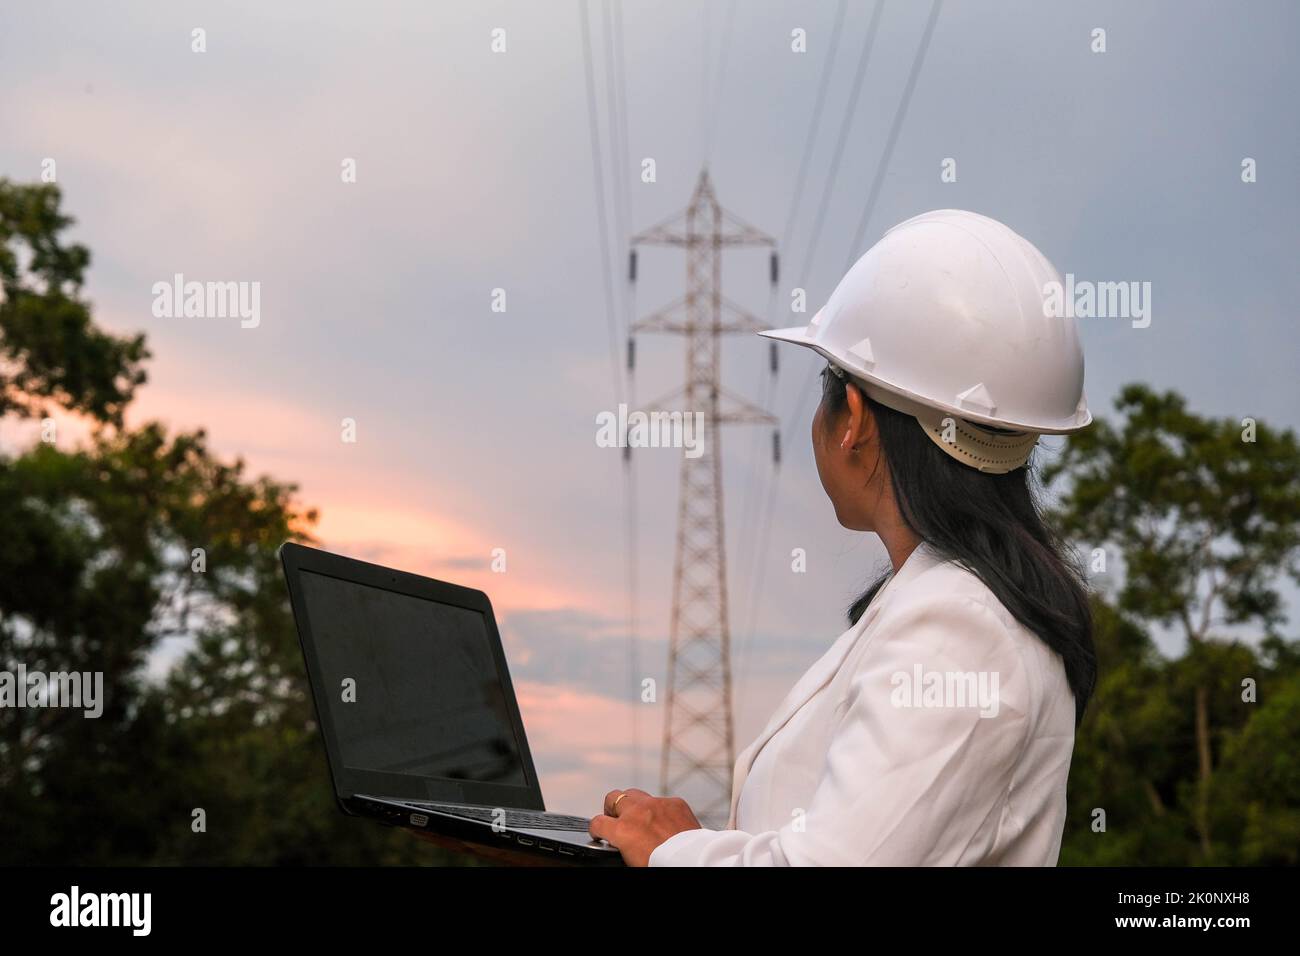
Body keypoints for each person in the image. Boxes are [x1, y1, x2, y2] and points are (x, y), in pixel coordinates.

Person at [589, 209, 1097, 866]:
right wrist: (701, 845)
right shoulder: (953, 606)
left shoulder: (957, 627)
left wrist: (678, 853)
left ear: (852, 417)